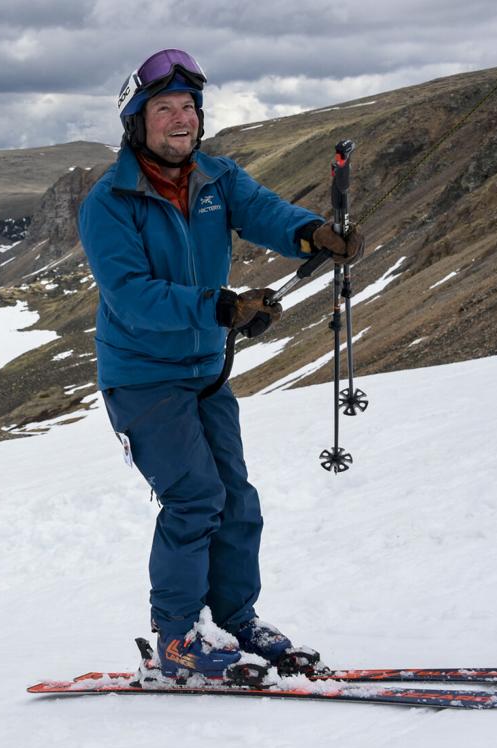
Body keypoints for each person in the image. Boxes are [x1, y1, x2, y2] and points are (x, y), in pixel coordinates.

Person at [78, 49, 362, 680]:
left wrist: (311, 233)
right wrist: (220, 306)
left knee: (236, 498)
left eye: (189, 108)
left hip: (207, 370)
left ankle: (234, 619)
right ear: (137, 122)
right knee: (194, 498)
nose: (181, 119)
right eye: (165, 109)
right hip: (143, 378)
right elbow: (132, 296)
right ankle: (177, 640)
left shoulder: (216, 177)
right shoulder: (110, 203)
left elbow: (264, 212)